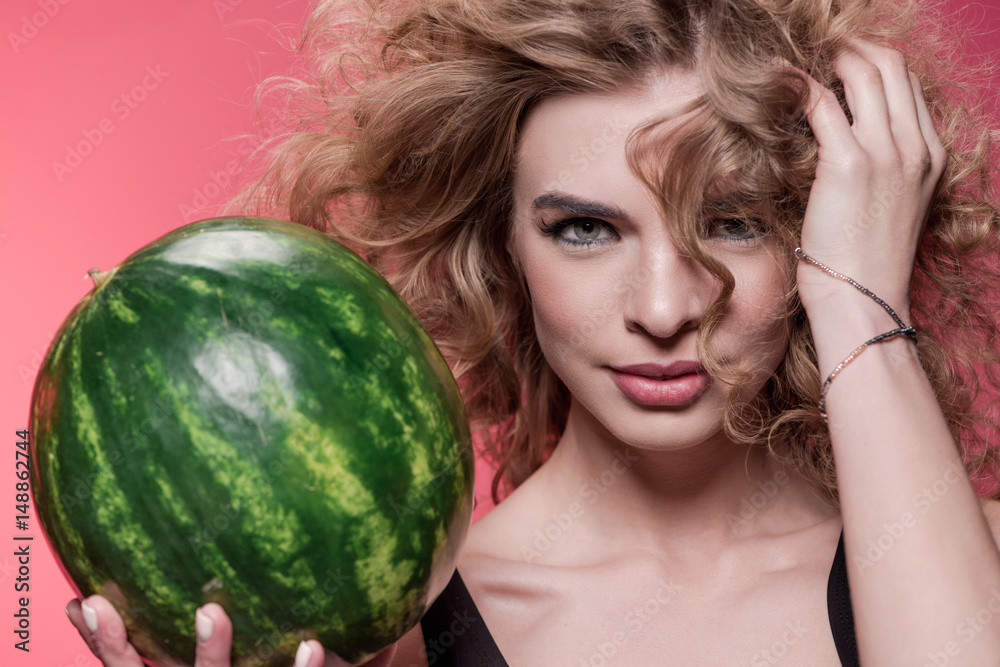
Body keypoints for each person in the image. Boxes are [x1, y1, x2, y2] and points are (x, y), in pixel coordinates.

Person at [67, 0, 1000, 665]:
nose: (666, 307)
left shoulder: (979, 559)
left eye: (734, 220)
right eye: (584, 229)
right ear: (501, 246)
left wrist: (860, 299)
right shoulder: (396, 645)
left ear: (817, 226)